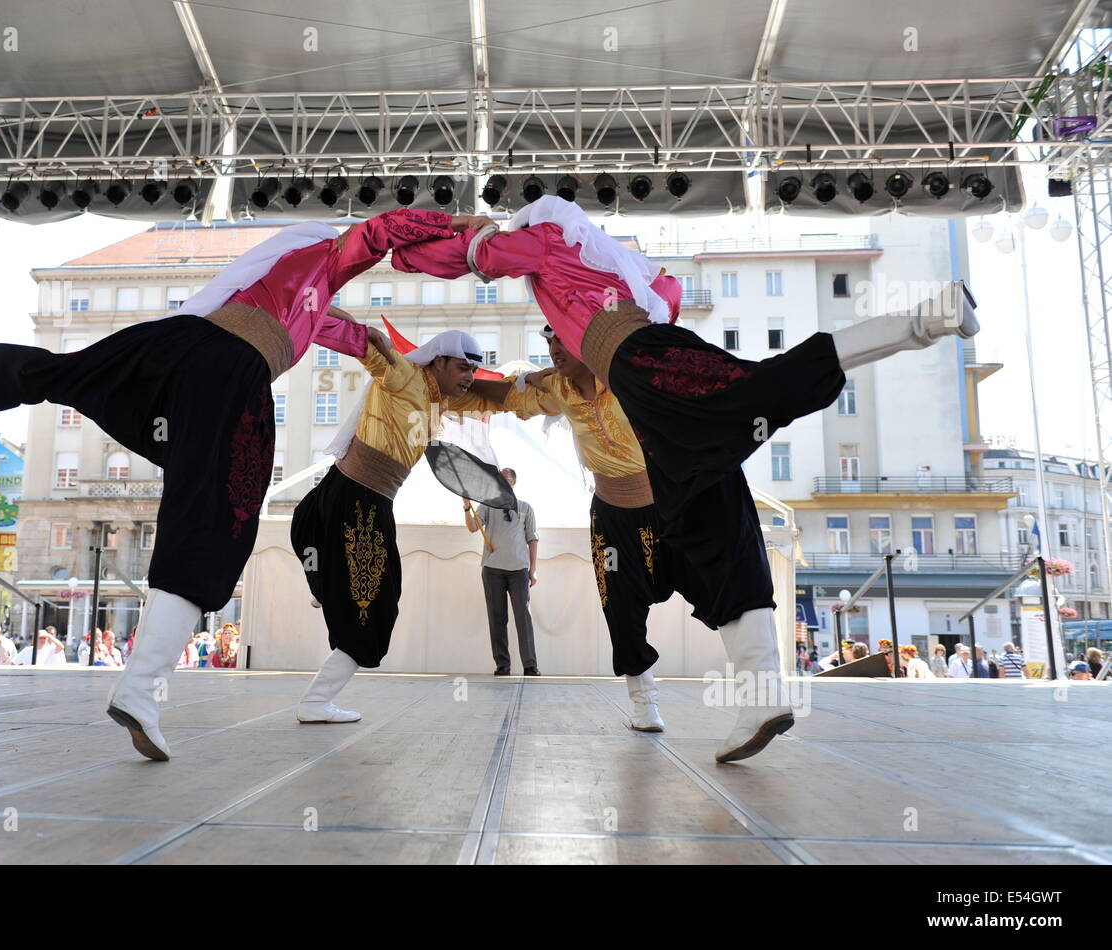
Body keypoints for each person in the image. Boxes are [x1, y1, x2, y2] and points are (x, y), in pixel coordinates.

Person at [393, 195, 981, 763]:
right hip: (660, 484)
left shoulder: (565, 257)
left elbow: (487, 258)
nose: (553, 338)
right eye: (549, 335)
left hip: (659, 418)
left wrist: (415, 239)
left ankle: (926, 318)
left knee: (763, 403)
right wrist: (433, 383)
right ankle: (754, 699)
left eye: (553, 331)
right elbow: (496, 392)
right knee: (685, 581)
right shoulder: (559, 378)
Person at [0, 208, 491, 761]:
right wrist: (466, 228)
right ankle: (141, 688)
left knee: (65, 373)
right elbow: (383, 230)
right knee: (215, 526)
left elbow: (354, 335)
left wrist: (380, 339)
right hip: (230, 377)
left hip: (170, 353)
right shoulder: (318, 260)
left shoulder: (299, 302)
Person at [291, 326, 509, 723]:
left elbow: (507, 397)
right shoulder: (402, 373)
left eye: (473, 372)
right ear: (438, 360)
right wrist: (311, 301)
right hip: (358, 500)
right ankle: (316, 700)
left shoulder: (438, 401)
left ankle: (327, 586)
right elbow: (365, 342)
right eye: (462, 368)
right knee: (375, 604)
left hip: (354, 497)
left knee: (369, 595)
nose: (468, 378)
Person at [499, 326, 676, 727]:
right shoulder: (559, 389)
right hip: (610, 516)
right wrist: (452, 388)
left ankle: (762, 695)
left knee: (710, 581)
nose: (554, 349)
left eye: (562, 337)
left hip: (666, 505)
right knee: (620, 605)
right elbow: (508, 396)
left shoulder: (626, 376)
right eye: (548, 342)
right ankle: (645, 702)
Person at [464, 468, 541, 678]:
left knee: (523, 617)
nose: (503, 481)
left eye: (507, 478)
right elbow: (472, 527)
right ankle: (502, 665)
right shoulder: (488, 504)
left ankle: (530, 665)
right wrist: (466, 507)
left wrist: (533, 570)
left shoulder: (525, 507)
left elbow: (532, 539)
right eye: (500, 478)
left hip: (519, 570)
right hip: (493, 570)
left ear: (514, 482)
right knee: (497, 618)